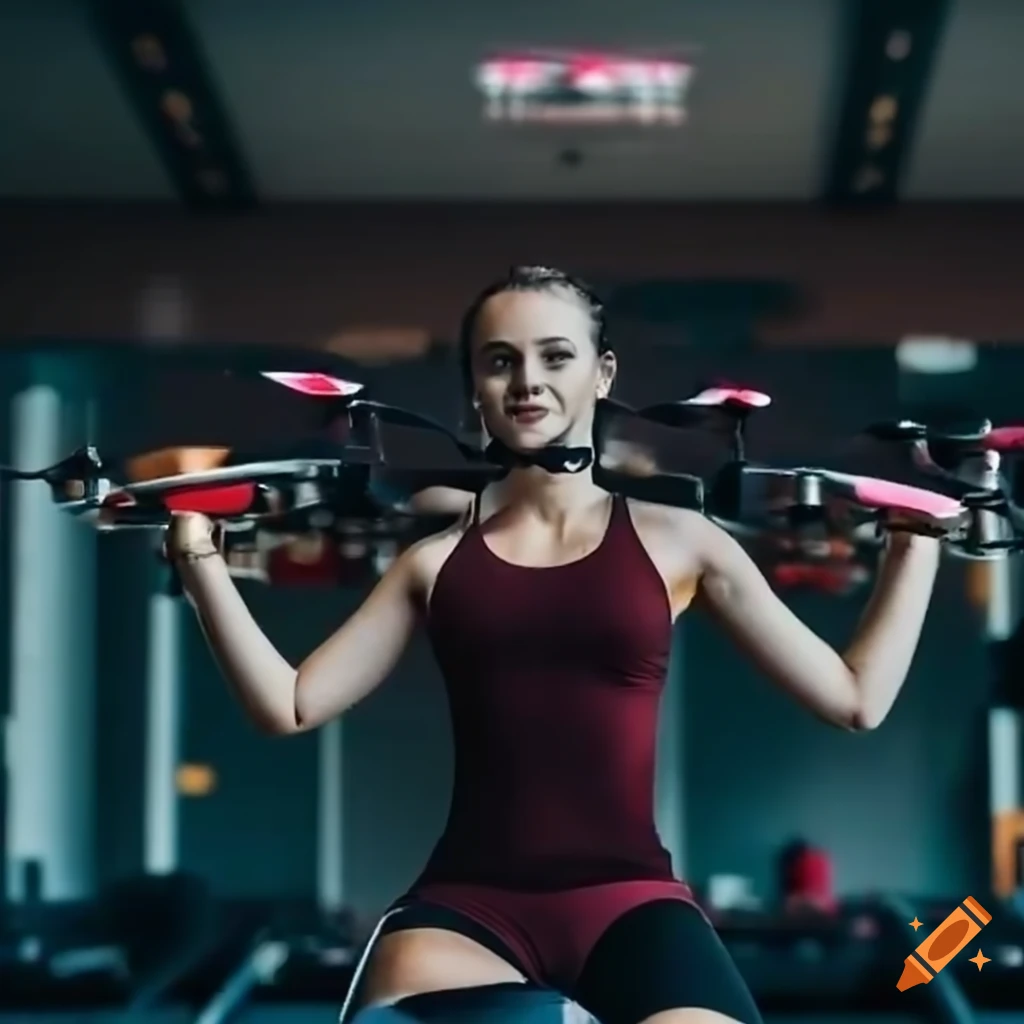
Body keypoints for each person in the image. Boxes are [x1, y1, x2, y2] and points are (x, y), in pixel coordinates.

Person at [166, 266, 942, 1024]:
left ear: (602, 373)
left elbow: (856, 698)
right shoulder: (433, 561)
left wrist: (918, 546)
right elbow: (290, 705)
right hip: (464, 911)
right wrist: (198, 557)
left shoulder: (682, 542)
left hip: (632, 904)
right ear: (475, 385)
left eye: (555, 356)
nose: (527, 381)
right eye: (501, 361)